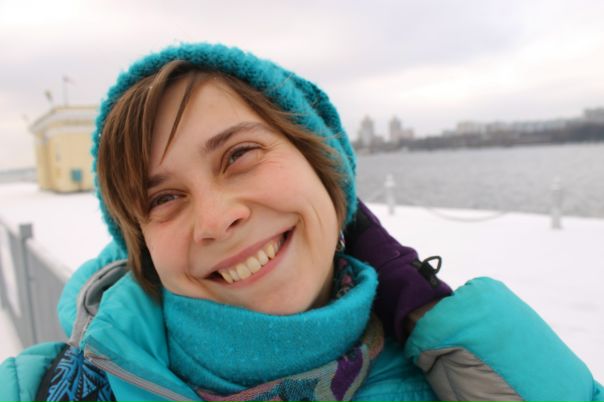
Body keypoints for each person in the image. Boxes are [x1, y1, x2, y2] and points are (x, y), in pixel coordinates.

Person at [1, 43, 602, 402]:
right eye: (163, 199)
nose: (216, 219)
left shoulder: (457, 376)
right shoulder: (45, 389)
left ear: (323, 166)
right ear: (142, 247)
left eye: (239, 154)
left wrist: (441, 323)